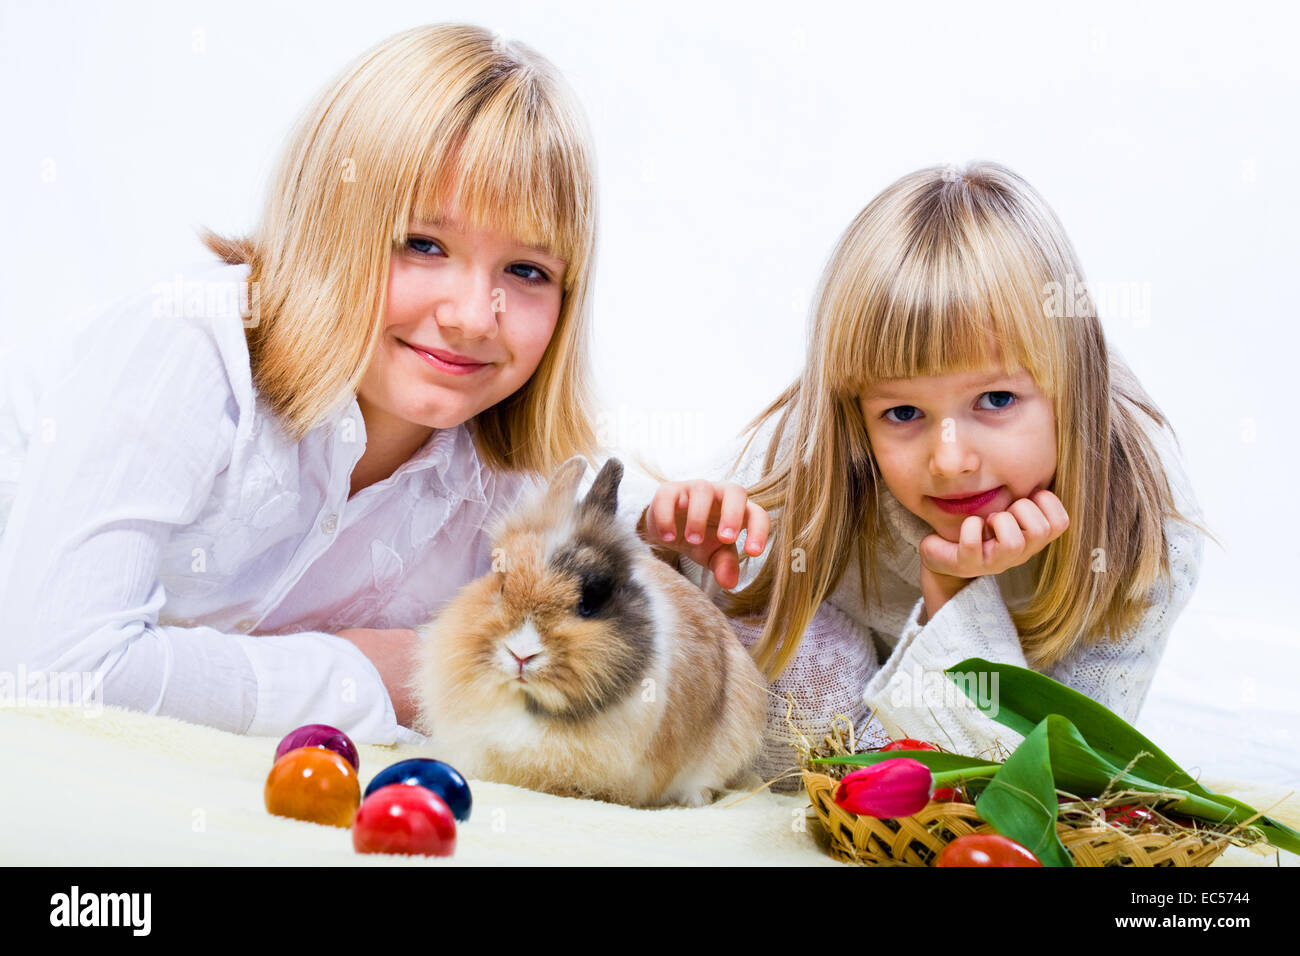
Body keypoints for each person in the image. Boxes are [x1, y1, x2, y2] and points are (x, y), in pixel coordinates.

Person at [0, 23, 611, 745]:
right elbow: (53, 666)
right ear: (329, 227)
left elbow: (600, 654)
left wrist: (690, 540)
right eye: (422, 245)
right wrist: (364, 676)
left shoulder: (508, 489)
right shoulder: (188, 350)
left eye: (528, 271)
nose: (475, 317)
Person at [643, 162, 1208, 784]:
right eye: (904, 412)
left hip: (940, 742)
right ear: (854, 416)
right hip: (838, 715)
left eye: (995, 400)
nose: (950, 459)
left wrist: (954, 594)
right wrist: (671, 531)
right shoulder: (808, 461)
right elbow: (617, 526)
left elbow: (1060, 785)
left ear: (1071, 389)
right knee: (771, 667)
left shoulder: (1145, 531)